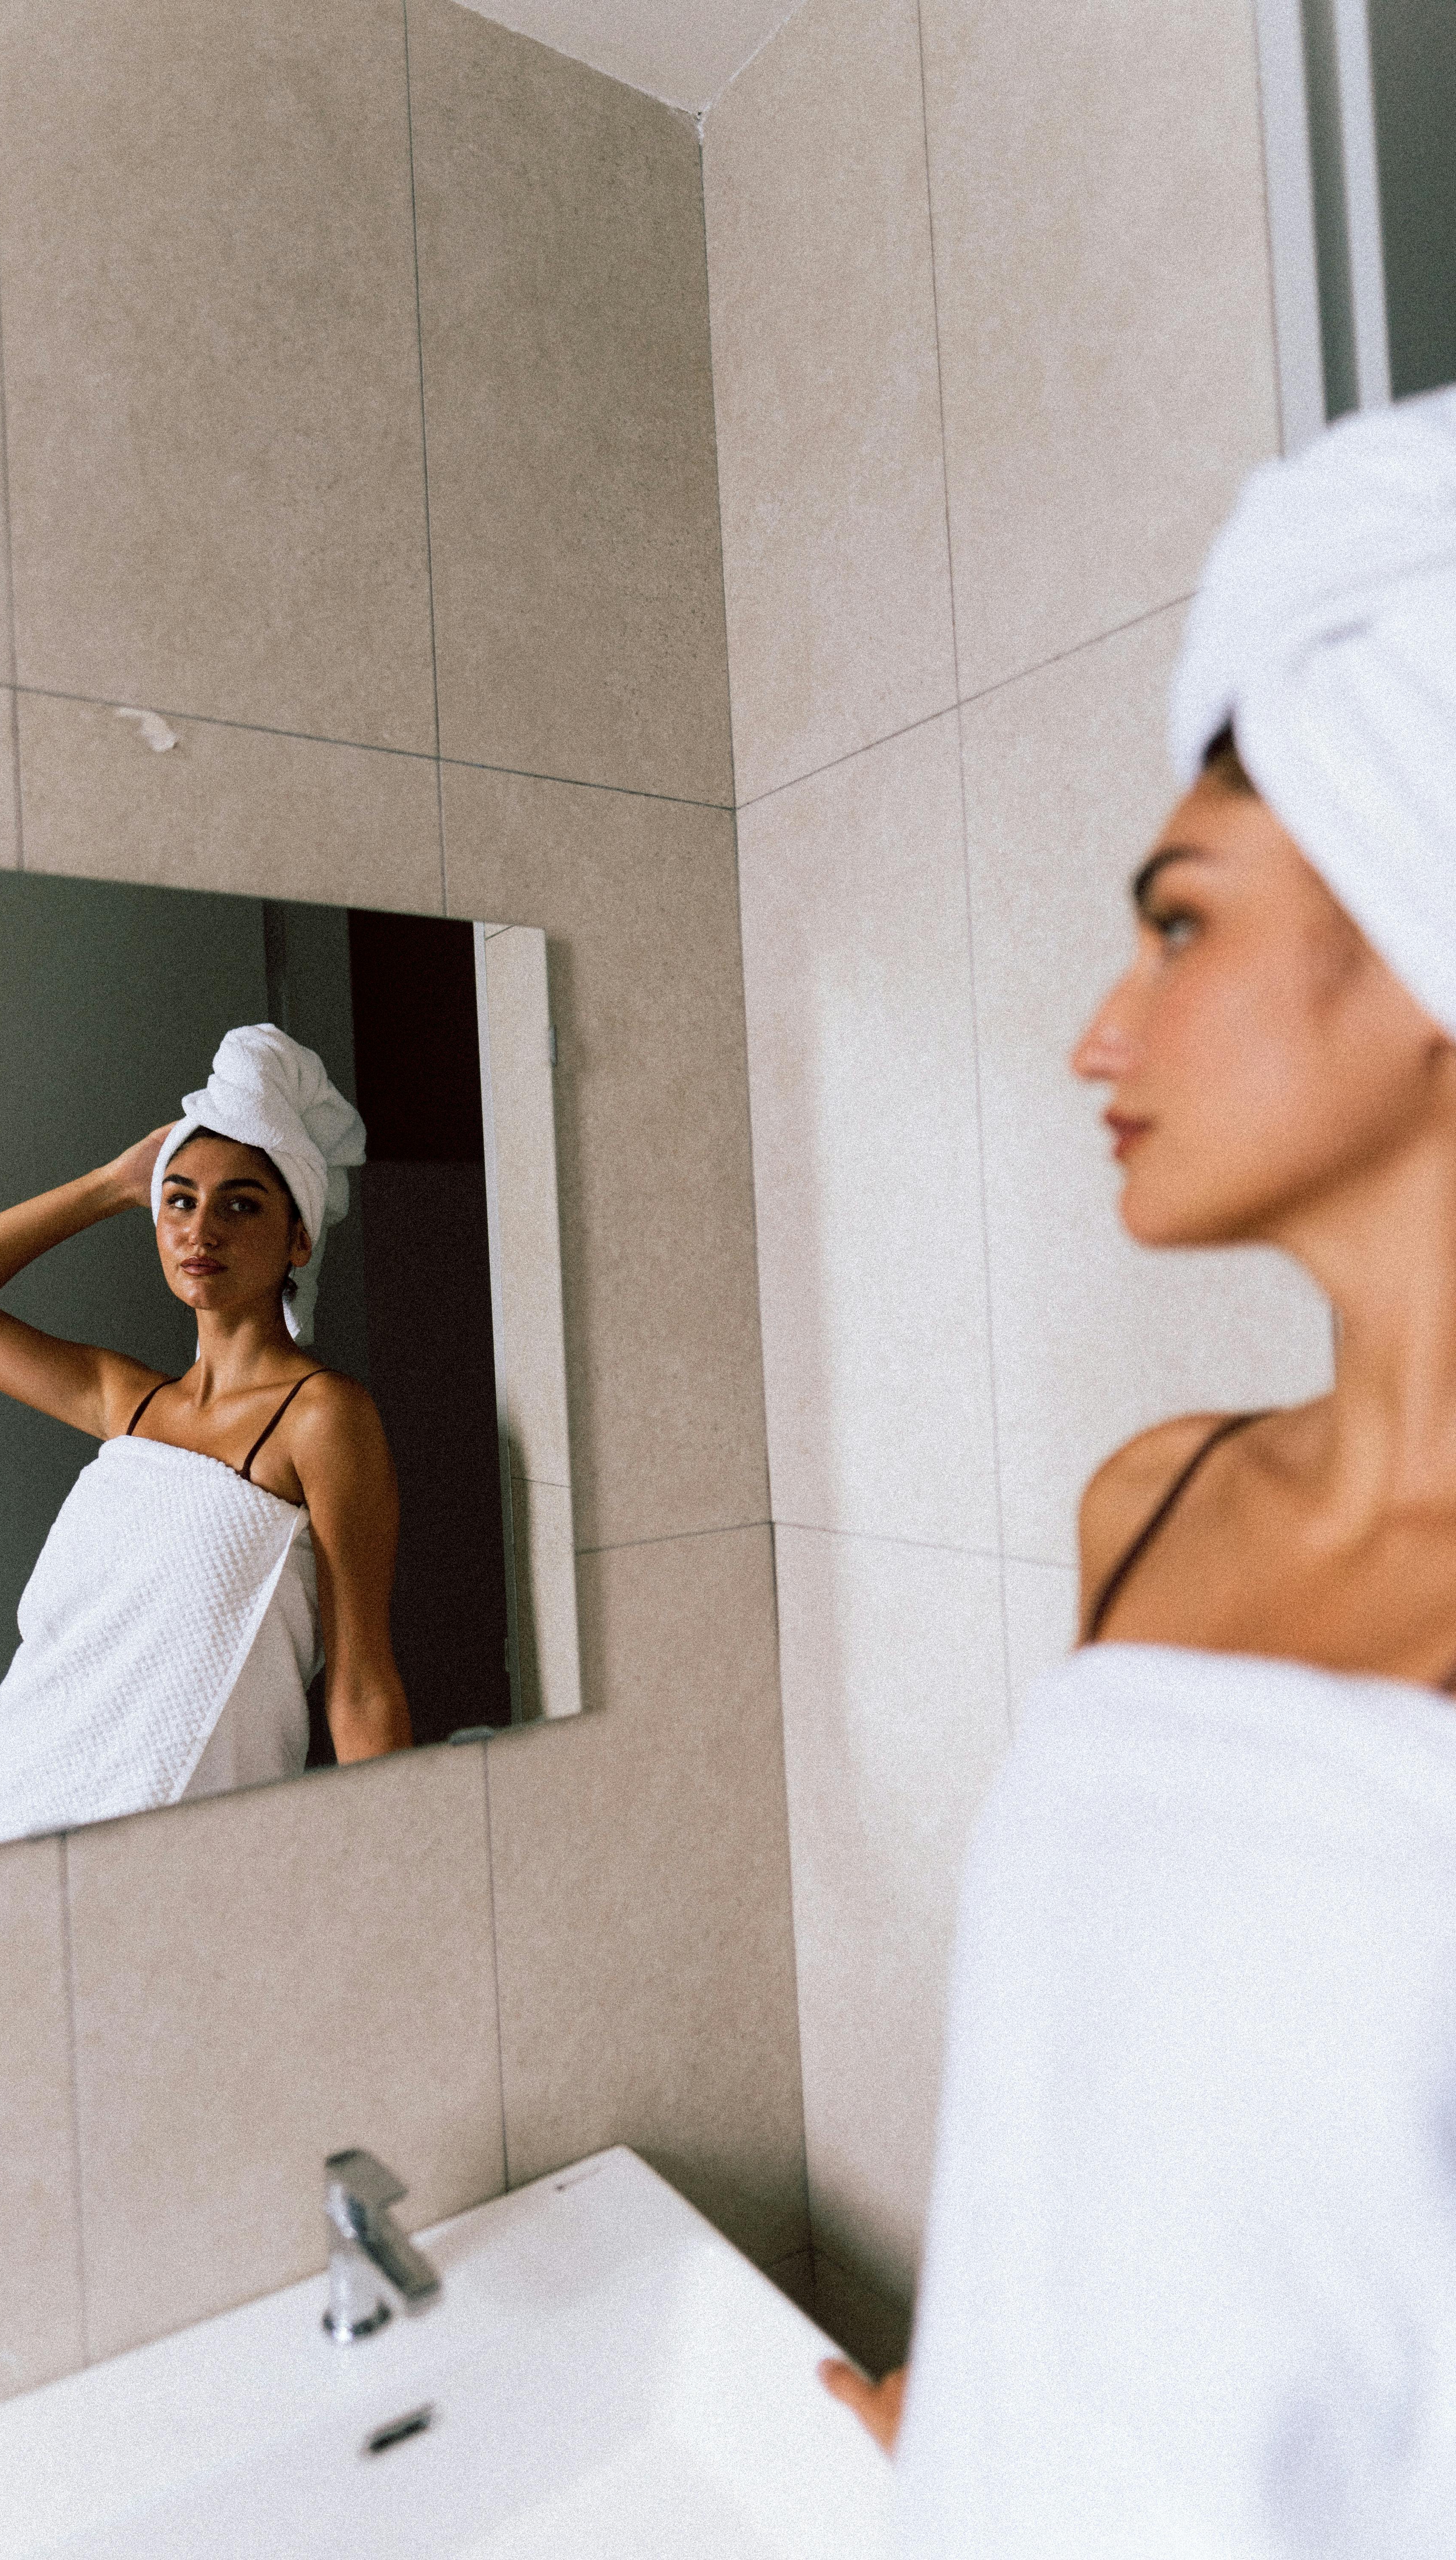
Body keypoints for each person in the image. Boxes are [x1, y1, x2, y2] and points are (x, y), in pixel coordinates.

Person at [822, 387, 1456, 2550]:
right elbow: (1104, 2130)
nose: (1097, 1029)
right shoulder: (1150, 1501)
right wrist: (986, 2410)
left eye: (1174, 925)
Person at [0, 1023, 411, 1856]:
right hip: (2, 1803)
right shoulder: (124, 1401)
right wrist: (112, 1183)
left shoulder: (321, 1418)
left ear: (298, 1237)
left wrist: (406, 1869)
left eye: (242, 1204)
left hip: (173, 1840)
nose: (202, 1230)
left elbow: (359, 1685)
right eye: (180, 1200)